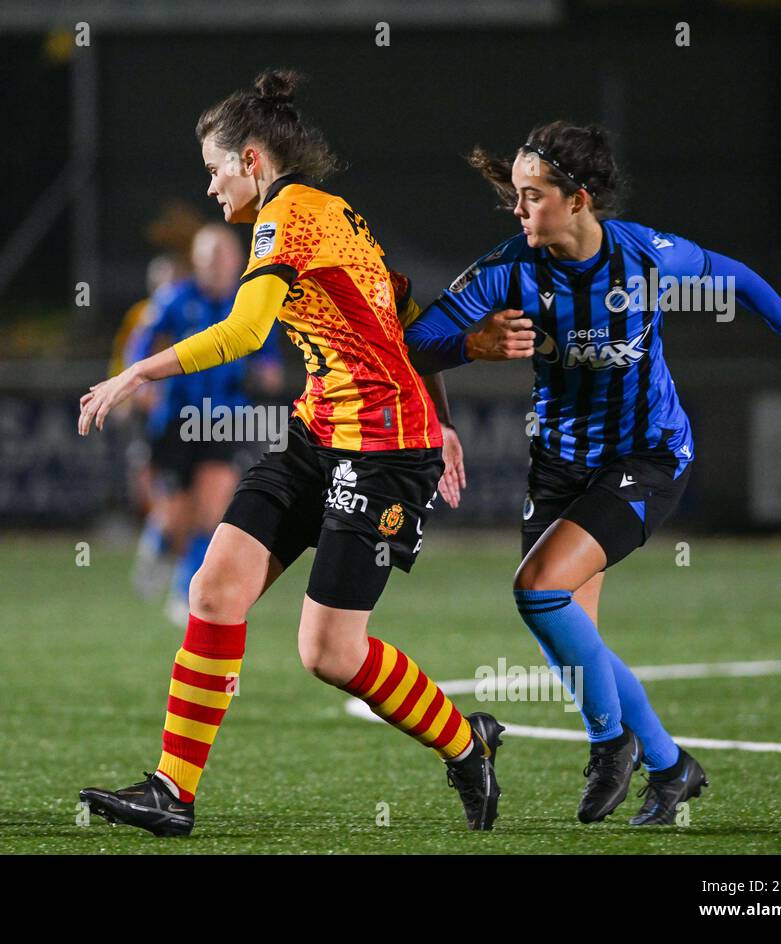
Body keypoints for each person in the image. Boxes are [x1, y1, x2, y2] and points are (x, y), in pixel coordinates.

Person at [77, 70, 502, 837]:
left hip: (380, 452)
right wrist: (442, 415)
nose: (210, 190)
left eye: (214, 171)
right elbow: (403, 316)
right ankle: (173, 793)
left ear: (250, 159)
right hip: (317, 434)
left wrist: (137, 370)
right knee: (212, 591)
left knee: (330, 652)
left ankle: (467, 744)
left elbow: (243, 333)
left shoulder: (288, 217)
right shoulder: (336, 212)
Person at [404, 121, 781, 825]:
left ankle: (613, 746)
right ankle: (672, 768)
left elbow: (739, 278)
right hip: (559, 465)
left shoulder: (644, 257)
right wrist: (471, 345)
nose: (518, 210)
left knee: (538, 591)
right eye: (515, 196)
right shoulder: (511, 266)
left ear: (579, 199)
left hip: (647, 456)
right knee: (574, 638)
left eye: (532, 195)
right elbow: (415, 342)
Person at [125, 224, 283, 625]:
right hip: (177, 420)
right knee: (178, 514)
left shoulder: (251, 304)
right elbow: (139, 351)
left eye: (224, 257)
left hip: (224, 421)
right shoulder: (172, 301)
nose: (218, 266)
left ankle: (185, 592)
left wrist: (262, 376)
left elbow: (271, 366)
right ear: (195, 262)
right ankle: (160, 539)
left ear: (236, 262)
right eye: (209, 258)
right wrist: (142, 387)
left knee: (212, 510)